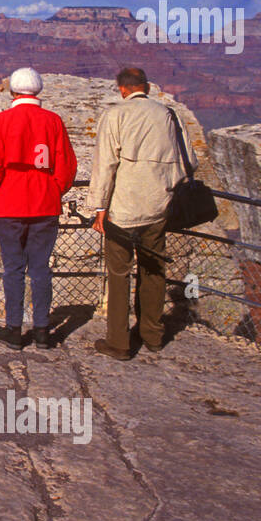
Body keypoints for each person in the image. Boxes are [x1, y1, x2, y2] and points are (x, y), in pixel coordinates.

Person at [87, 67, 193, 360]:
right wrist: (165, 185)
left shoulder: (115, 115)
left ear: (122, 89)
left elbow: (105, 165)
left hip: (122, 211)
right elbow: (189, 162)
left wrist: (100, 208)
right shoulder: (170, 115)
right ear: (146, 87)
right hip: (158, 208)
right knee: (154, 271)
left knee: (119, 274)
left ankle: (119, 343)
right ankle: (153, 336)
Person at [0, 68, 77, 350]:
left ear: (13, 92)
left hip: (9, 204)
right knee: (41, 268)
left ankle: (14, 329)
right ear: (38, 91)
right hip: (45, 203)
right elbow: (66, 165)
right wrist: (54, 189)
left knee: (13, 269)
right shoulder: (53, 121)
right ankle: (43, 330)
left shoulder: (1, 122)